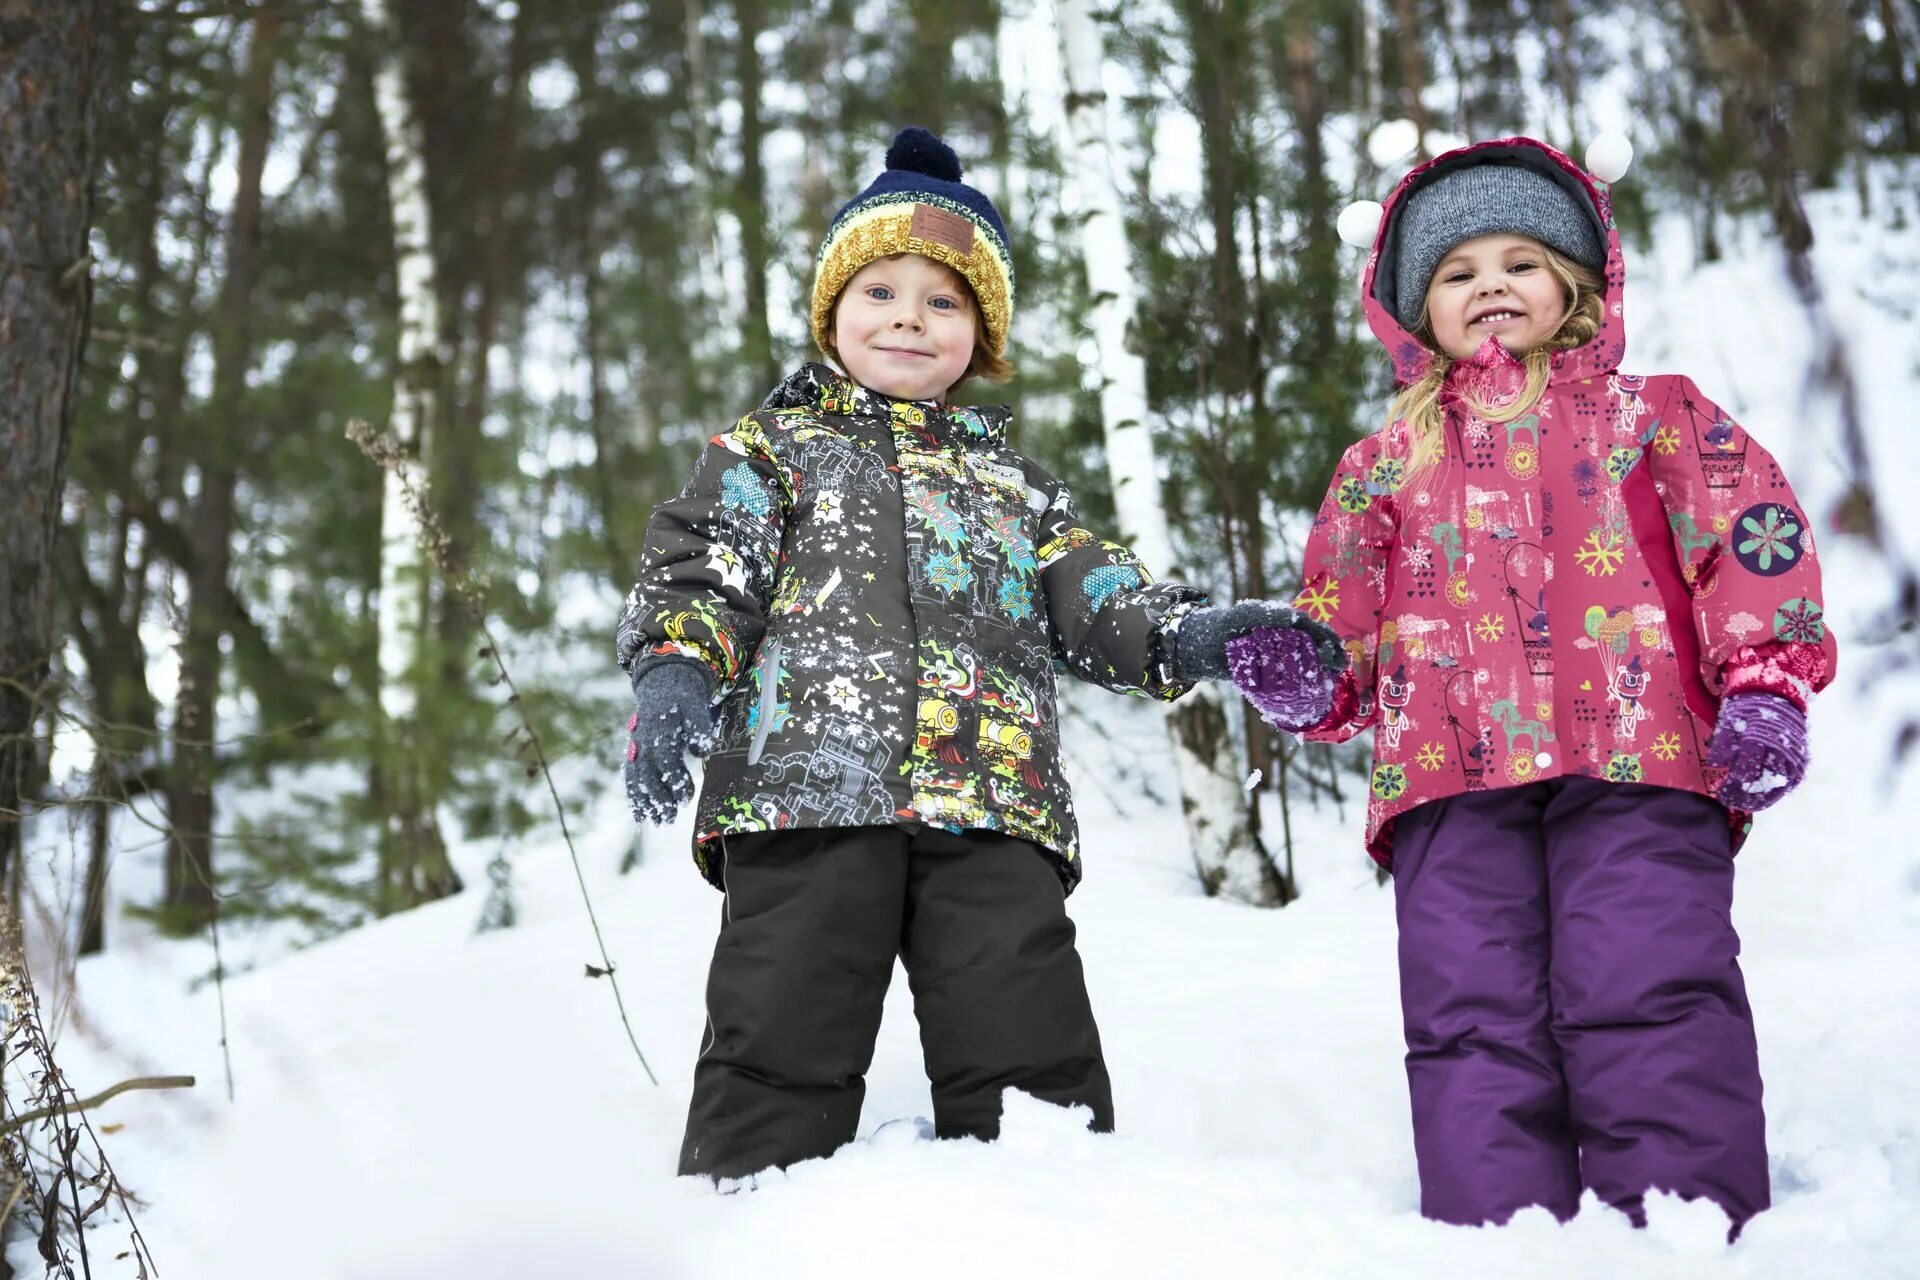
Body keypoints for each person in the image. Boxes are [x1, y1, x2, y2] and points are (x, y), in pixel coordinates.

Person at [614, 126, 1343, 1183]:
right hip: (806, 796)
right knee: (779, 1037)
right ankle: (744, 1219)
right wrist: (679, 670)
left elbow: (1104, 602)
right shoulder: (767, 453)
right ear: (832, 312)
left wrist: (1204, 634)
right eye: (880, 291)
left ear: (981, 333)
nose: (909, 315)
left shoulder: (1018, 488)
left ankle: (1047, 1221)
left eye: (944, 299)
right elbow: (703, 566)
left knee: (1028, 1042)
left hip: (993, 800)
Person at [1228, 135, 1834, 1233]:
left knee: (1647, 981)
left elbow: (1750, 538)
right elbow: (1343, 624)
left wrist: (1764, 684)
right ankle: (1497, 1237)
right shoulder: (1383, 463)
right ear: (1417, 310)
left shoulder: (1658, 412)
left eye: (1518, 260)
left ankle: (1686, 1227)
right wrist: (1306, 671)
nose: (1490, 285)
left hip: (1643, 757)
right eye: (1456, 273)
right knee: (1472, 1014)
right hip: (1447, 778)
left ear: (1575, 283)